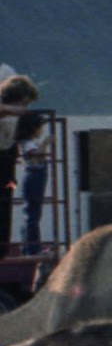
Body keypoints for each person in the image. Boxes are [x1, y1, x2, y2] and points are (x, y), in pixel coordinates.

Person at [0, 75, 40, 257]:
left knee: (3, 214)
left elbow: (26, 137)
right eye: (23, 103)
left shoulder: (16, 118)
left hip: (5, 170)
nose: (25, 108)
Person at [15, 111, 48, 256]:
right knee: (32, 214)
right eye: (40, 127)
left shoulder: (29, 142)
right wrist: (46, 143)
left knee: (32, 213)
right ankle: (32, 248)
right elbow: (36, 157)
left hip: (35, 176)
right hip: (34, 176)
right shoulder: (29, 143)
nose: (42, 130)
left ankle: (30, 246)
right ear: (34, 128)